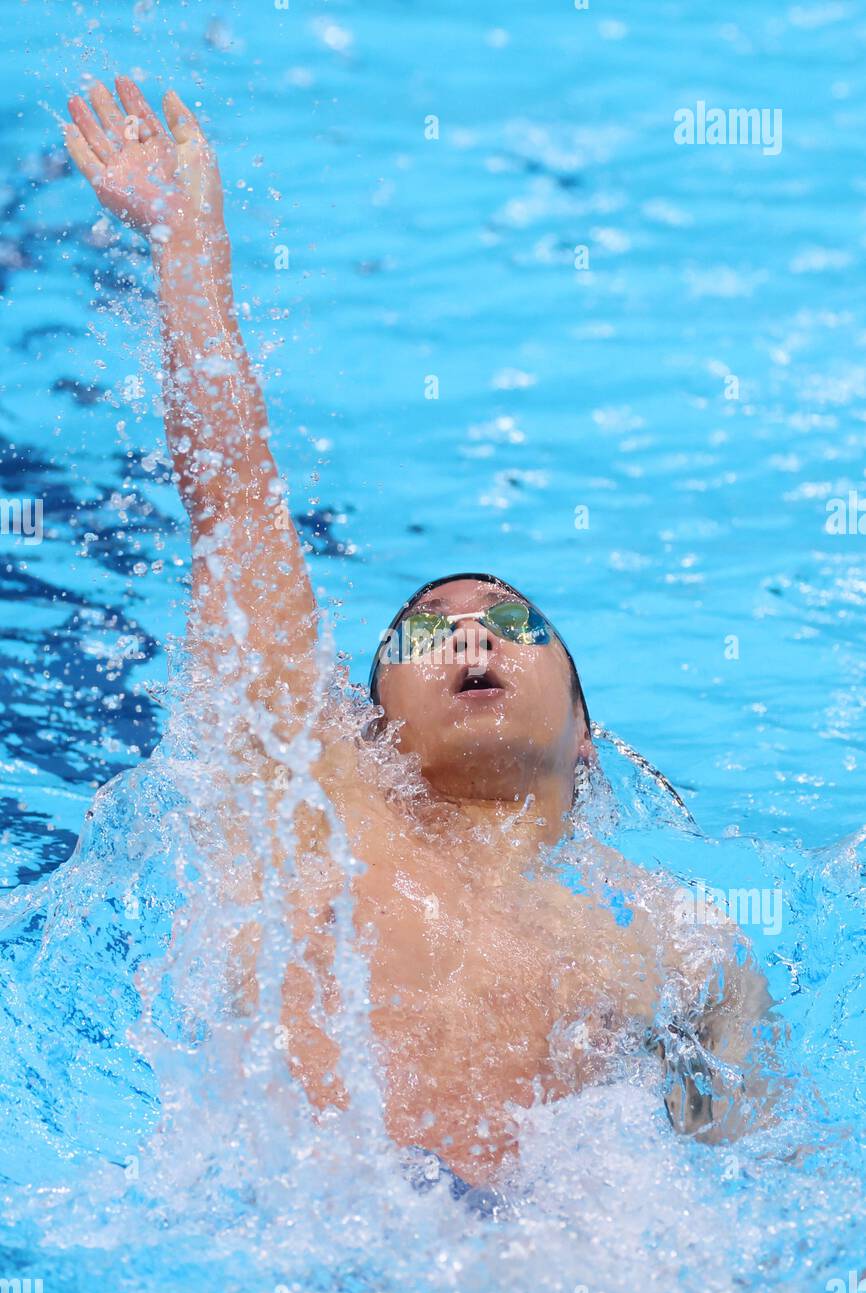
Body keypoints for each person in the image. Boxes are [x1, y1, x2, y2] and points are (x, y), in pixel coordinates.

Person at [63, 79, 776, 1186]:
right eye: (425, 630)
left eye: (510, 622)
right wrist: (185, 242)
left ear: (585, 730)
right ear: (368, 725)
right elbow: (237, 503)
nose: (469, 637)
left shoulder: (671, 948)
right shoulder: (319, 812)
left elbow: (747, 1166)